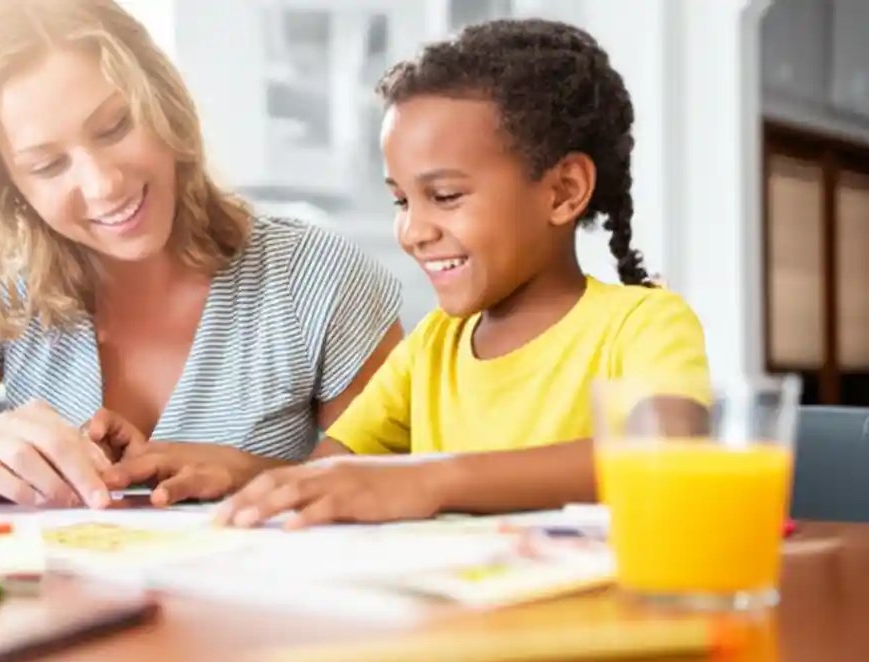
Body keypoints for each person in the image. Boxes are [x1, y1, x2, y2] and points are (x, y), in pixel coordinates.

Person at [0, 0, 403, 509]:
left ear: (164, 102)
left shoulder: (318, 279)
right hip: (72, 626)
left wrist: (247, 474)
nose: (103, 184)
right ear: (9, 189)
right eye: (48, 165)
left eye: (115, 126)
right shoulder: (12, 295)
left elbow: (402, 489)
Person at [213, 19, 710, 529]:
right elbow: (335, 474)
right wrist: (235, 472)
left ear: (562, 191)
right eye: (401, 200)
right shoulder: (430, 348)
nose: (412, 231)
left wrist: (432, 479)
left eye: (445, 196)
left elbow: (665, 453)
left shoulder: (642, 324)